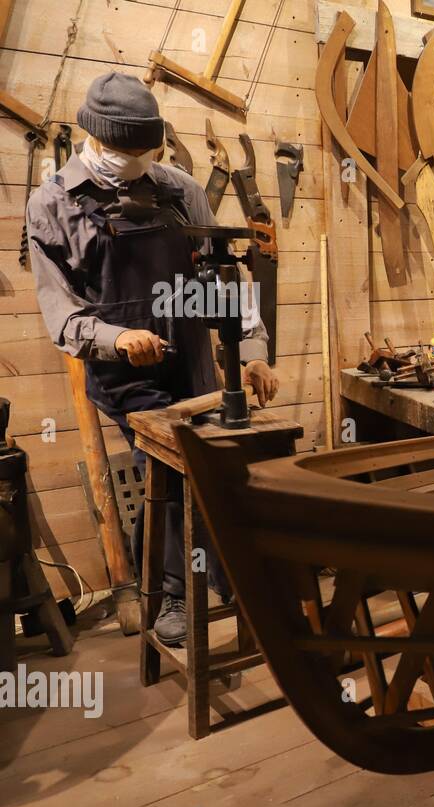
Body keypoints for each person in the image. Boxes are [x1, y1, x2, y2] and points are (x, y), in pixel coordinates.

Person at [27, 72, 278, 645]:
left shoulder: (178, 189)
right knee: (168, 471)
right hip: (125, 375)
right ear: (95, 138)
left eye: (148, 151)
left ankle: (232, 580)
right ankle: (177, 596)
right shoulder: (53, 203)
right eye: (125, 152)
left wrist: (253, 352)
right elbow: (60, 311)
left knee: (216, 465)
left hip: (191, 362)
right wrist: (114, 338)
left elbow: (222, 278)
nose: (137, 162)